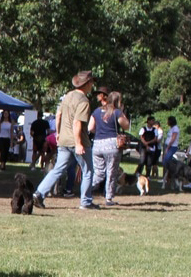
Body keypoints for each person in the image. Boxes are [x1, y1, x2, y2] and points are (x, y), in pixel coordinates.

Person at [33, 70, 97, 209]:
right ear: (86, 84)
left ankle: (38, 194)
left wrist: (58, 132)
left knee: (57, 169)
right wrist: (79, 143)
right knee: (88, 172)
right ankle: (86, 202)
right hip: (78, 141)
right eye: (91, 82)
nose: (92, 85)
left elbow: (59, 114)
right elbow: (77, 123)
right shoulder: (84, 101)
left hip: (64, 140)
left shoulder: (67, 96)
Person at [90, 91, 129, 206]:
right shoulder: (117, 112)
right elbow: (126, 125)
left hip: (97, 144)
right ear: (118, 101)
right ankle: (109, 198)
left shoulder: (97, 111)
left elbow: (90, 127)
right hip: (111, 144)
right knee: (111, 172)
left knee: (98, 172)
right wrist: (122, 112)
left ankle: (86, 191)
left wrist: (100, 131)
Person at [161, 115, 180, 187]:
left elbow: (173, 138)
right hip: (168, 146)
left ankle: (170, 175)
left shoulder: (175, 128)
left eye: (168, 120)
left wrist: (168, 147)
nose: (167, 122)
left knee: (166, 161)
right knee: (165, 161)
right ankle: (167, 177)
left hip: (172, 146)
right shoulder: (171, 128)